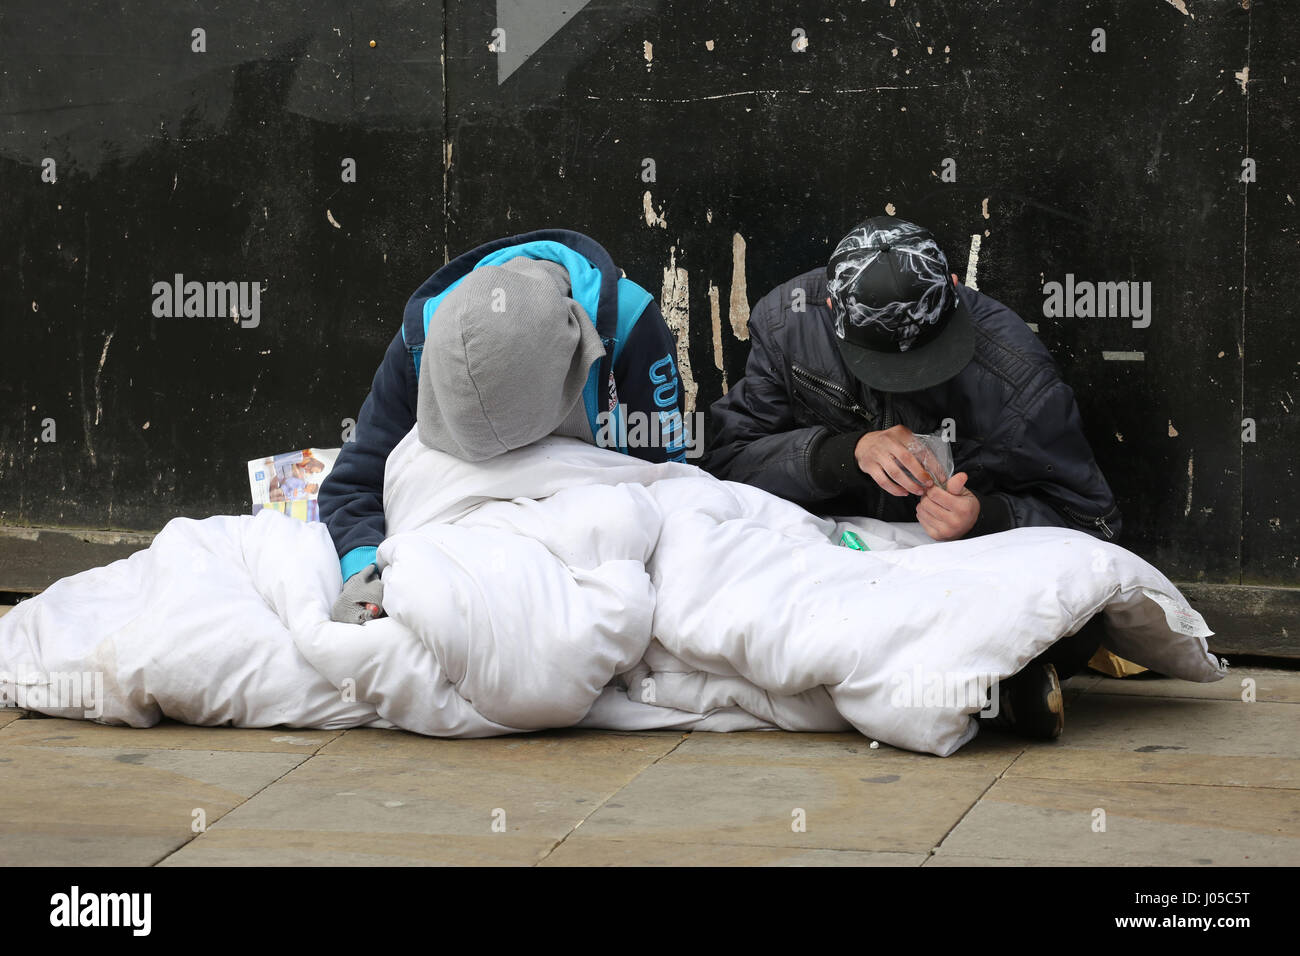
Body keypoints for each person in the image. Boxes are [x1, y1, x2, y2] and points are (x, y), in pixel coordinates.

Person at [703, 216, 1122, 739]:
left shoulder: (1016, 377)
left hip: (956, 572)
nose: (906, 380)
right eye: (880, 363)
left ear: (953, 292)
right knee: (711, 553)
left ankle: (960, 686)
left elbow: (1095, 525)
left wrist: (985, 516)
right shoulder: (790, 322)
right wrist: (843, 453)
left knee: (1065, 611)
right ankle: (982, 691)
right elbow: (726, 464)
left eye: (928, 360)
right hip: (832, 561)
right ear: (832, 311)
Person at [319, 229, 687, 626]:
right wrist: (363, 571)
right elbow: (354, 481)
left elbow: (668, 488)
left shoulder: (629, 331)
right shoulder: (418, 342)